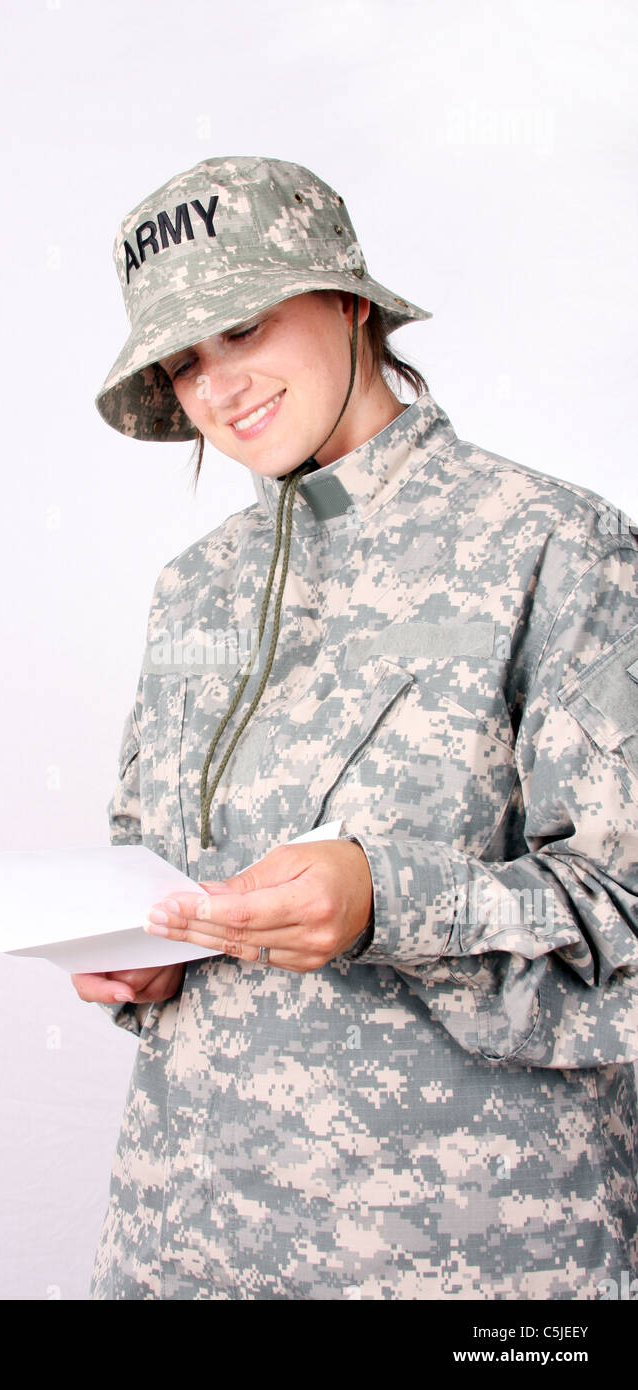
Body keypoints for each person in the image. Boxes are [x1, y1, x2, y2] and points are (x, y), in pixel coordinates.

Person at [72, 155, 638, 1300]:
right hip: (185, 1243)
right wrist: (125, 949)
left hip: (462, 1259)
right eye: (184, 363)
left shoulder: (553, 546)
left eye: (241, 327)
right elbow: (145, 851)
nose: (219, 388)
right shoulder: (194, 589)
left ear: (344, 299)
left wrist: (386, 898)